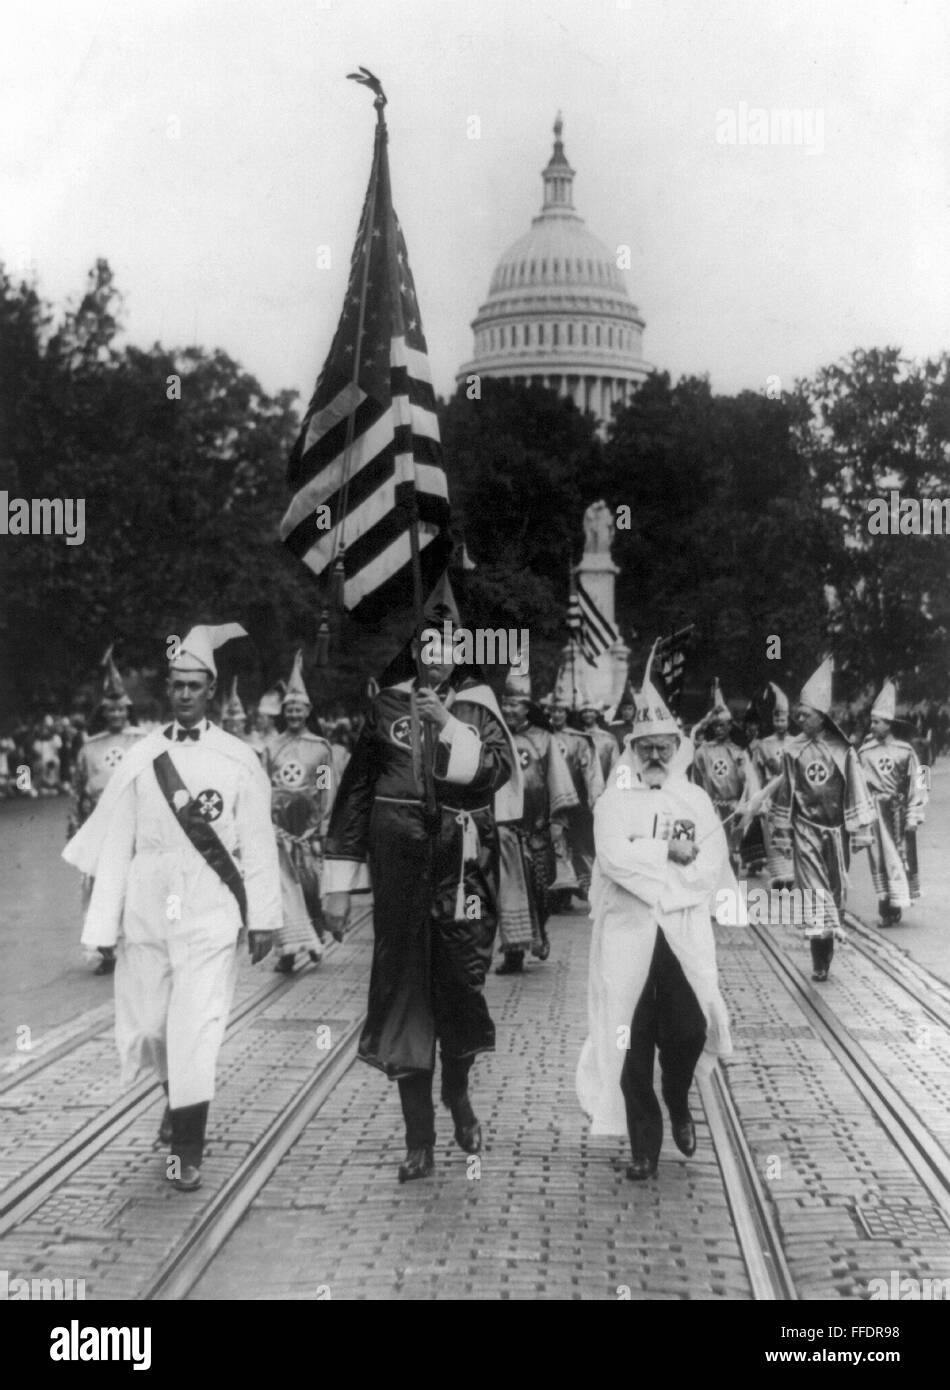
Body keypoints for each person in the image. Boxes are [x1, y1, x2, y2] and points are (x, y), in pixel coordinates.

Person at [62, 623, 280, 1192]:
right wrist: (102, 924)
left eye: (193, 686)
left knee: (196, 1026)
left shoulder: (238, 758)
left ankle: (188, 1145)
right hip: (148, 905)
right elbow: (116, 844)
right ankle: (174, 1095)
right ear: (169, 688)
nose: (183, 694)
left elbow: (257, 843)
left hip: (209, 905)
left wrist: (264, 918)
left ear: (210, 689)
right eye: (176, 685)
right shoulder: (142, 756)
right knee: (152, 1029)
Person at [322, 621, 515, 1183]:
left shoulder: (479, 708)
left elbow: (496, 772)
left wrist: (448, 726)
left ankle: (458, 1095)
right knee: (405, 991)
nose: (438, 658)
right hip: (400, 872)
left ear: (461, 655)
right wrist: (338, 885)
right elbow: (357, 790)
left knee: (460, 987)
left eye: (449, 648)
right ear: (416, 653)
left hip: (464, 877)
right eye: (428, 648)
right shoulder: (385, 707)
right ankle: (419, 1140)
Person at [576, 676, 736, 1180]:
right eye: (644, 748)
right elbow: (613, 856)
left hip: (680, 934)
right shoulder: (614, 800)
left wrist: (679, 881)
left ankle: (678, 1096)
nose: (654, 756)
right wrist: (664, 852)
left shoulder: (694, 800)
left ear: (676, 747)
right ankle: (645, 1145)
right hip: (628, 937)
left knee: (690, 1029)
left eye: (663, 747)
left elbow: (711, 863)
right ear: (632, 749)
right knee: (631, 1039)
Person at [770, 659, 876, 981]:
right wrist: (784, 834)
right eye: (798, 714)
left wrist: (859, 833)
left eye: (806, 714)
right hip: (806, 830)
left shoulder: (843, 750)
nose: (800, 720)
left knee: (834, 892)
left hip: (837, 832)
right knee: (813, 891)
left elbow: (856, 789)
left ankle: (826, 949)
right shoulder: (792, 750)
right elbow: (786, 792)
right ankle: (817, 957)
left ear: (823, 717)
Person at [68, 647, 147, 975]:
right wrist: (76, 826)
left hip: (134, 825)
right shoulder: (89, 747)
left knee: (133, 886)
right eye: (110, 710)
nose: (116, 715)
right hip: (100, 826)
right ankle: (106, 944)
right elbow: (78, 788)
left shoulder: (143, 741)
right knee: (101, 886)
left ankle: (134, 942)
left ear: (128, 710)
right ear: (104, 712)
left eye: (121, 710)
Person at [496, 672, 578, 973]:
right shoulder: (495, 735)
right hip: (504, 829)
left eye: (514, 704)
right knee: (508, 894)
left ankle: (539, 932)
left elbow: (558, 781)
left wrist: (557, 822)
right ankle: (513, 952)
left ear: (528, 707)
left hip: (537, 828)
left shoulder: (545, 740)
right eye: (505, 704)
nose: (508, 710)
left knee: (542, 894)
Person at [262, 651, 334, 973]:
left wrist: (320, 824)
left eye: (299, 708)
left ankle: (315, 938)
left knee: (309, 887)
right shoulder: (272, 747)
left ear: (308, 711)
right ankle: (287, 951)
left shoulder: (319, 748)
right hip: (278, 829)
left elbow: (324, 787)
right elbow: (264, 787)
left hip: (307, 828)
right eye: (288, 708)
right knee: (282, 889)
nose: (293, 713)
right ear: (283, 711)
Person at [858, 680, 927, 928]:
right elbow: (858, 786)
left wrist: (914, 814)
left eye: (877, 721)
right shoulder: (864, 753)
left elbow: (922, 777)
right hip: (875, 813)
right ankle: (885, 904)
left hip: (897, 811)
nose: (872, 725)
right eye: (872, 721)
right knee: (878, 859)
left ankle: (897, 904)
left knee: (899, 856)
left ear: (888, 724)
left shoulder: (905, 750)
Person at [691, 680, 760, 874]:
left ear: (730, 726)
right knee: (711, 850)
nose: (719, 730)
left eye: (723, 726)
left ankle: (732, 888)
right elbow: (696, 780)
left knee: (732, 851)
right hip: (711, 808)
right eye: (716, 726)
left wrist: (745, 803)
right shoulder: (702, 752)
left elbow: (749, 781)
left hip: (732, 808)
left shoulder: (738, 752)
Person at [544, 691, 604, 909]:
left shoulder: (578, 739)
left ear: (567, 714)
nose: (557, 715)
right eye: (553, 711)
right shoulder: (543, 735)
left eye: (561, 711)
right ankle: (559, 896)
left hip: (576, 800)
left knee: (579, 847)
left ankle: (589, 892)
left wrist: (594, 798)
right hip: (550, 799)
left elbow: (590, 771)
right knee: (556, 847)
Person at [751, 683, 796, 891]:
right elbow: (756, 775)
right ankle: (779, 878)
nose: (780, 723)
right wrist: (759, 800)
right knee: (773, 838)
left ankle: (792, 876)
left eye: (783, 719)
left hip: (792, 799)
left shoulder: (797, 743)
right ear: (772, 720)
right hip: (771, 798)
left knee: (790, 837)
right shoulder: (763, 745)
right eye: (776, 719)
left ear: (788, 720)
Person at [608, 682, 636, 750]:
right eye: (624, 709)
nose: (627, 712)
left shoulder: (639, 726)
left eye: (630, 709)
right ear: (620, 710)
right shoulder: (614, 727)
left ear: (634, 710)